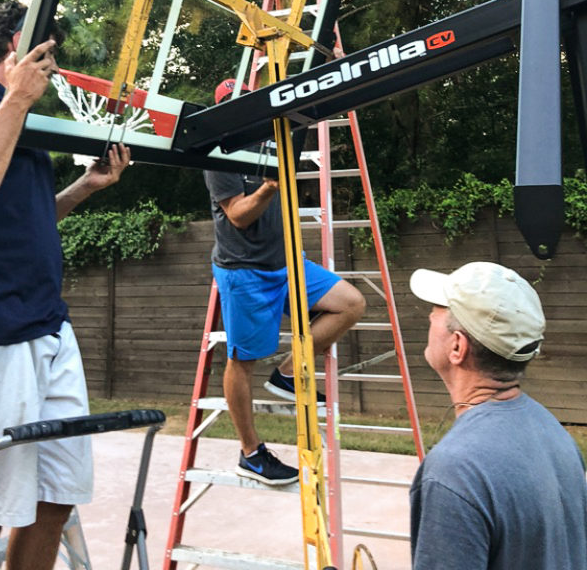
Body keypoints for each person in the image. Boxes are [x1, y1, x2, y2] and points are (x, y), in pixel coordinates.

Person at [0, 0, 131, 570]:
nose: (57, 71)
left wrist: (85, 187)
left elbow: (26, 217)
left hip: (47, 327)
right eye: (51, 55)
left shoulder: (26, 124)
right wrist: (15, 98)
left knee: (55, 499)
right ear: (21, 44)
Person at [203, 78, 366, 485]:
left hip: (288, 263)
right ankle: (251, 453)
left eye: (251, 103)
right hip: (244, 271)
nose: (248, 111)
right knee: (242, 361)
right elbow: (239, 214)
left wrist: (331, 68)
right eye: (237, 105)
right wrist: (271, 186)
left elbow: (313, 103)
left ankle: (289, 372)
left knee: (351, 303)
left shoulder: (276, 136)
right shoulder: (218, 154)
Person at [409, 260, 587, 570]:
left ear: (457, 346)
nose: (429, 315)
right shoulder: (554, 434)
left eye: (438, 310)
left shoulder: (455, 470)